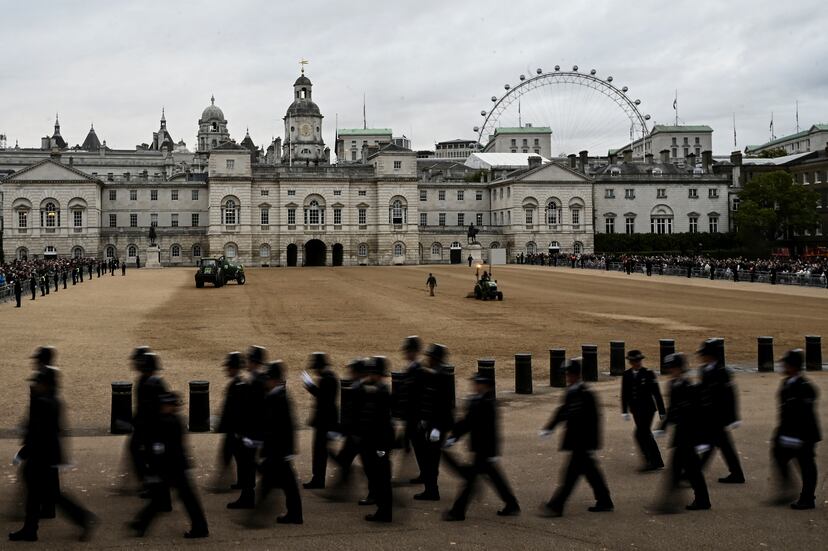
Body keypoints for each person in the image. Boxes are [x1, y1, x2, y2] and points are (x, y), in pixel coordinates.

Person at [9, 368, 96, 542]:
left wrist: (23, 453)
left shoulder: (43, 403)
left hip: (40, 457)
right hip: (47, 456)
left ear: (45, 384)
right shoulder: (53, 400)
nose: (34, 385)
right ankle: (31, 529)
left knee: (44, 494)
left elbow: (38, 433)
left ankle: (81, 519)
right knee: (42, 494)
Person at [130, 392, 209, 539]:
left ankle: (142, 523)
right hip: (173, 466)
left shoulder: (167, 421)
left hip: (172, 466)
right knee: (166, 498)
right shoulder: (171, 420)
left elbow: (162, 447)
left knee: (174, 499)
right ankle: (141, 523)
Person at [442, 373, 519, 521]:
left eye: (479, 383)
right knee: (495, 478)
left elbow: (492, 430)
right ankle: (511, 504)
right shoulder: (477, 401)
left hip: (484, 449)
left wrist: (493, 452)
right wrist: (454, 436)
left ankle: (457, 511)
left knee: (471, 481)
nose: (475, 386)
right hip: (480, 448)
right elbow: (467, 422)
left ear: (486, 385)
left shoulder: (487, 403)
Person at [541, 359, 613, 517]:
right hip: (576, 441)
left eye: (569, 374)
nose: (567, 377)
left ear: (576, 374)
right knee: (591, 473)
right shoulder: (571, 391)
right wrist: (550, 427)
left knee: (570, 476)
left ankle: (556, 506)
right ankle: (605, 501)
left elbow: (594, 420)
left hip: (582, 442)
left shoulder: (586, 393)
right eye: (566, 374)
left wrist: (592, 444)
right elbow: (563, 411)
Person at [653, 353, 710, 512]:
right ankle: (699, 500)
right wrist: (662, 426)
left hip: (689, 435)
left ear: (680, 369)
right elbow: (672, 409)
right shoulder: (672, 385)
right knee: (691, 471)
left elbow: (699, 415)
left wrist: (702, 439)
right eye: (670, 368)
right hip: (680, 433)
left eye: (674, 368)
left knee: (679, 469)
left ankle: (669, 503)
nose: (671, 371)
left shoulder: (690, 387)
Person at [771, 349, 821, 510]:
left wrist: (797, 437)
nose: (782, 366)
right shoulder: (786, 383)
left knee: (806, 466)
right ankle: (788, 490)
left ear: (793, 366)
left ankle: (808, 498)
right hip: (787, 432)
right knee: (779, 456)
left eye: (785, 364)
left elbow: (805, 416)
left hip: (804, 434)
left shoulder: (805, 387)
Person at [255, 361, 303, 524]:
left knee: (275, 482)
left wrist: (287, 451)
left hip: (278, 450)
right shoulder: (276, 396)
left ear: (275, 379)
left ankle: (258, 514)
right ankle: (293, 514)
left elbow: (286, 427)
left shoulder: (279, 398)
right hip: (278, 449)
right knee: (286, 483)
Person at [697, 339, 745, 484]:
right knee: (723, 445)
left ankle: (695, 472)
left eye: (704, 354)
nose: (702, 357)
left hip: (719, 415)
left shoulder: (722, 372)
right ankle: (736, 473)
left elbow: (730, 395)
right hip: (709, 414)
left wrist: (734, 417)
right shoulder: (704, 370)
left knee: (712, 444)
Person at [226, 345, 268, 509]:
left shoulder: (255, 382)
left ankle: (247, 497)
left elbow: (252, 410)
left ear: (254, 362)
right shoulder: (259, 379)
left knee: (248, 465)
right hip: (256, 431)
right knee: (249, 464)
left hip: (252, 432)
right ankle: (248, 494)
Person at [411, 343, 454, 501]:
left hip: (439, 424)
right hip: (432, 423)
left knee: (432, 458)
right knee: (430, 457)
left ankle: (432, 491)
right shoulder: (435, 372)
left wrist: (436, 427)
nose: (427, 359)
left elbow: (443, 405)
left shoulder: (441, 375)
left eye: (430, 356)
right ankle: (430, 488)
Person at [357, 357, 395, 522]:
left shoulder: (381, 392)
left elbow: (383, 423)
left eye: (372, 373)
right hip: (373, 442)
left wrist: (382, 447)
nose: (369, 375)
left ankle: (384, 511)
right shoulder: (376, 390)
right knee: (377, 477)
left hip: (378, 443)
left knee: (381, 478)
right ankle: (382, 509)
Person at [621, 350, 666, 472]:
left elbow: (656, 393)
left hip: (648, 409)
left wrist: (662, 411)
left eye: (638, 360)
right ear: (630, 362)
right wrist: (624, 410)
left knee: (640, 434)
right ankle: (656, 461)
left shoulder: (648, 373)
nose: (637, 363)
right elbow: (624, 394)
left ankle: (650, 461)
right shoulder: (626, 375)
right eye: (634, 361)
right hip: (635, 410)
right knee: (645, 434)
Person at [301, 352, 339, 489]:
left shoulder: (327, 379)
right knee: (321, 452)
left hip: (325, 422)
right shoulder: (329, 377)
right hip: (326, 422)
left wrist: (310, 386)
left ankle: (318, 479)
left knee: (319, 452)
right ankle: (318, 478)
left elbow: (323, 400)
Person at [216, 352, 247, 496]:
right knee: (238, 457)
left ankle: (222, 482)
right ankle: (239, 481)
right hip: (236, 429)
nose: (227, 370)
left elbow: (234, 410)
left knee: (229, 455)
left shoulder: (237, 385)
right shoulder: (239, 384)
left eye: (229, 367)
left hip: (235, 430)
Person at [400, 336, 425, 483]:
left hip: (415, 416)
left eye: (408, 351)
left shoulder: (418, 370)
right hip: (411, 415)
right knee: (414, 445)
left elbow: (417, 395)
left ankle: (426, 475)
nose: (406, 354)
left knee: (419, 446)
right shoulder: (412, 368)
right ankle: (424, 473)